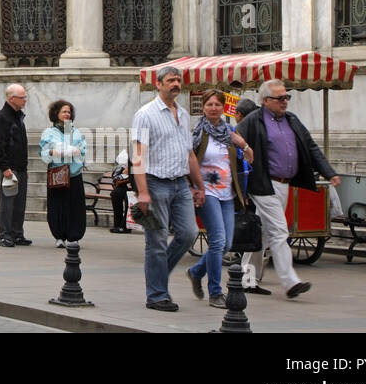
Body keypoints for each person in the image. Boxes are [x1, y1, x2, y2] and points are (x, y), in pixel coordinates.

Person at [237, 78, 340, 299]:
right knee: (280, 230)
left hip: (284, 183)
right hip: (262, 184)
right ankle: (290, 281)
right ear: (265, 100)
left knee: (264, 233)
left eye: (287, 97)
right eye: (280, 98)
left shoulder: (292, 120)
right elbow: (235, 147)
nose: (285, 101)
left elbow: (311, 147)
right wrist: (239, 187)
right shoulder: (252, 122)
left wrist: (329, 172)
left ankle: (246, 279)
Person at [131, 65, 205, 312]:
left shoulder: (183, 114)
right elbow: (138, 155)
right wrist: (143, 192)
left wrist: (199, 186)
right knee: (157, 241)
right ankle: (157, 294)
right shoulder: (145, 114)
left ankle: (158, 276)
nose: (176, 84)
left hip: (180, 184)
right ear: (159, 84)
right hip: (155, 183)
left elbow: (190, 154)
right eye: (171, 80)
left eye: (178, 80)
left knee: (188, 233)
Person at [185, 90, 254, 308]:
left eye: (217, 104)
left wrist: (246, 148)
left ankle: (196, 272)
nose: (213, 108)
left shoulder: (227, 131)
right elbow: (187, 159)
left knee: (227, 243)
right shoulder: (198, 132)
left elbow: (241, 145)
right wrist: (193, 187)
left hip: (228, 193)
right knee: (217, 241)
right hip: (207, 192)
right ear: (203, 107)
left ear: (223, 107)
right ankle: (215, 292)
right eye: (209, 104)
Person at [40, 100, 88, 248]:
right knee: (57, 205)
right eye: (64, 111)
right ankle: (59, 235)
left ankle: (74, 236)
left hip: (74, 174)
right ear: (56, 114)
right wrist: (54, 152)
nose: (67, 114)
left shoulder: (75, 131)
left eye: (68, 111)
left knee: (75, 206)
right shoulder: (48, 132)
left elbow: (82, 150)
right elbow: (44, 152)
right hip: (57, 174)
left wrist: (75, 151)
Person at [0, 83, 31, 247]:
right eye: (22, 98)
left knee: (20, 203)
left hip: (21, 166)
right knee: (7, 203)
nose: (25, 100)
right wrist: (4, 167)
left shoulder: (18, 116)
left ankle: (17, 233)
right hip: (9, 168)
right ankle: (4, 234)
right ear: (12, 98)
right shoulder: (2, 117)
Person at [109, 148, 135, 233]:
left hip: (138, 186)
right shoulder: (124, 164)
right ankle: (117, 224)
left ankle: (125, 226)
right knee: (115, 194)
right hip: (126, 185)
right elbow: (116, 177)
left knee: (129, 197)